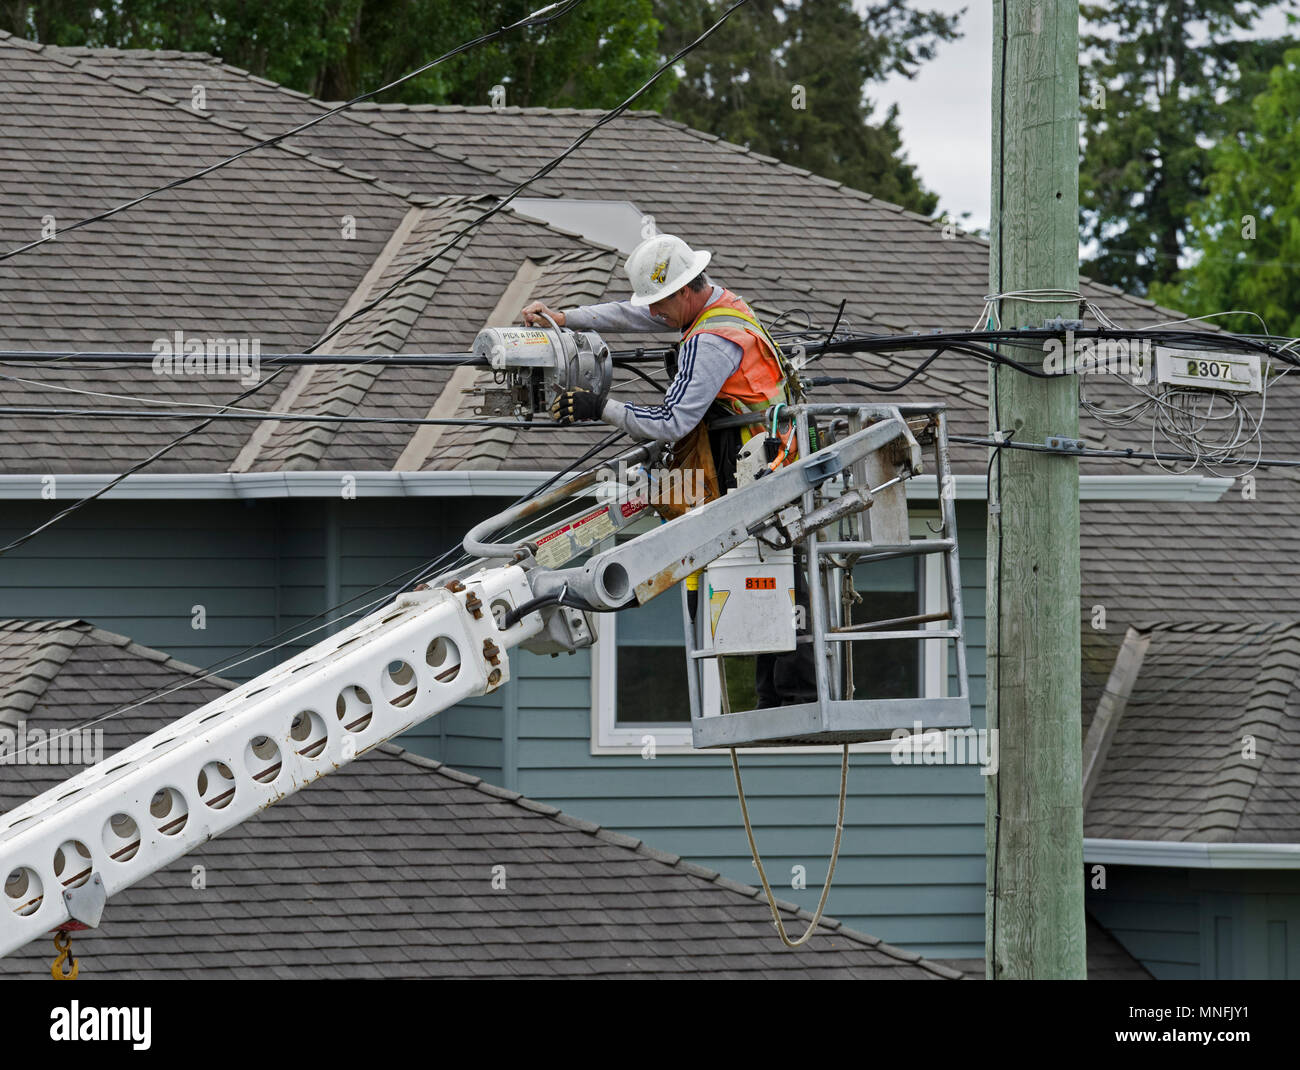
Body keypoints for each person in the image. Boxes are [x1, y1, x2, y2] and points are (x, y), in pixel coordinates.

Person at [521, 232, 816, 709]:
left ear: (683, 292)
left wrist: (600, 406)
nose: (654, 314)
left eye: (661, 302)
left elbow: (670, 423)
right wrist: (566, 318)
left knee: (756, 575)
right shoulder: (724, 306)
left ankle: (792, 696)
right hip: (769, 463)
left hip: (747, 470)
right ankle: (779, 695)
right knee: (774, 574)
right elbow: (636, 313)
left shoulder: (712, 341)